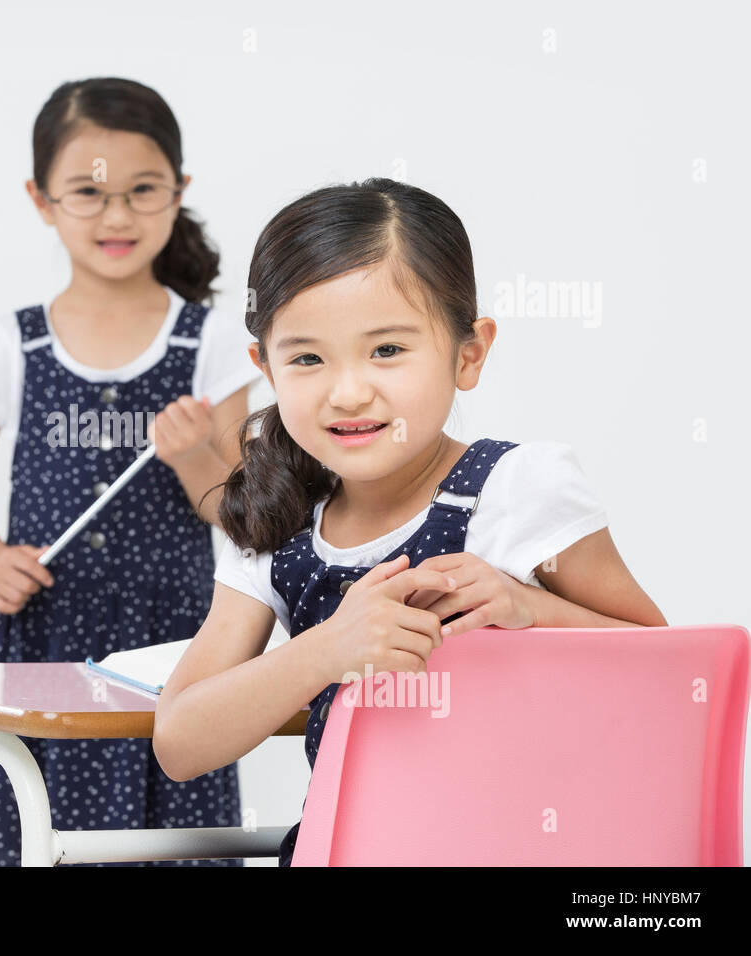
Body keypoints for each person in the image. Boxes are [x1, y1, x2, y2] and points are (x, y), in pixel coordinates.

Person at [152, 177, 668, 867]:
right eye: (306, 358)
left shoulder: (518, 490)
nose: (348, 391)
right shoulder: (276, 524)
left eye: (388, 350)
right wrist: (329, 649)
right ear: (266, 369)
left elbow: (666, 675)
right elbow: (180, 744)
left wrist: (529, 606)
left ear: (469, 353)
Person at [0, 77, 262, 866]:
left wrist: (193, 461)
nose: (117, 216)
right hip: (42, 643)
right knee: (28, 838)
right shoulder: (14, 340)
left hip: (175, 651)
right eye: (88, 192)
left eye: (143, 191)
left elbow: (247, 511)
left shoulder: (210, 340)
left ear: (179, 192)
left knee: (169, 843)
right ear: (42, 199)